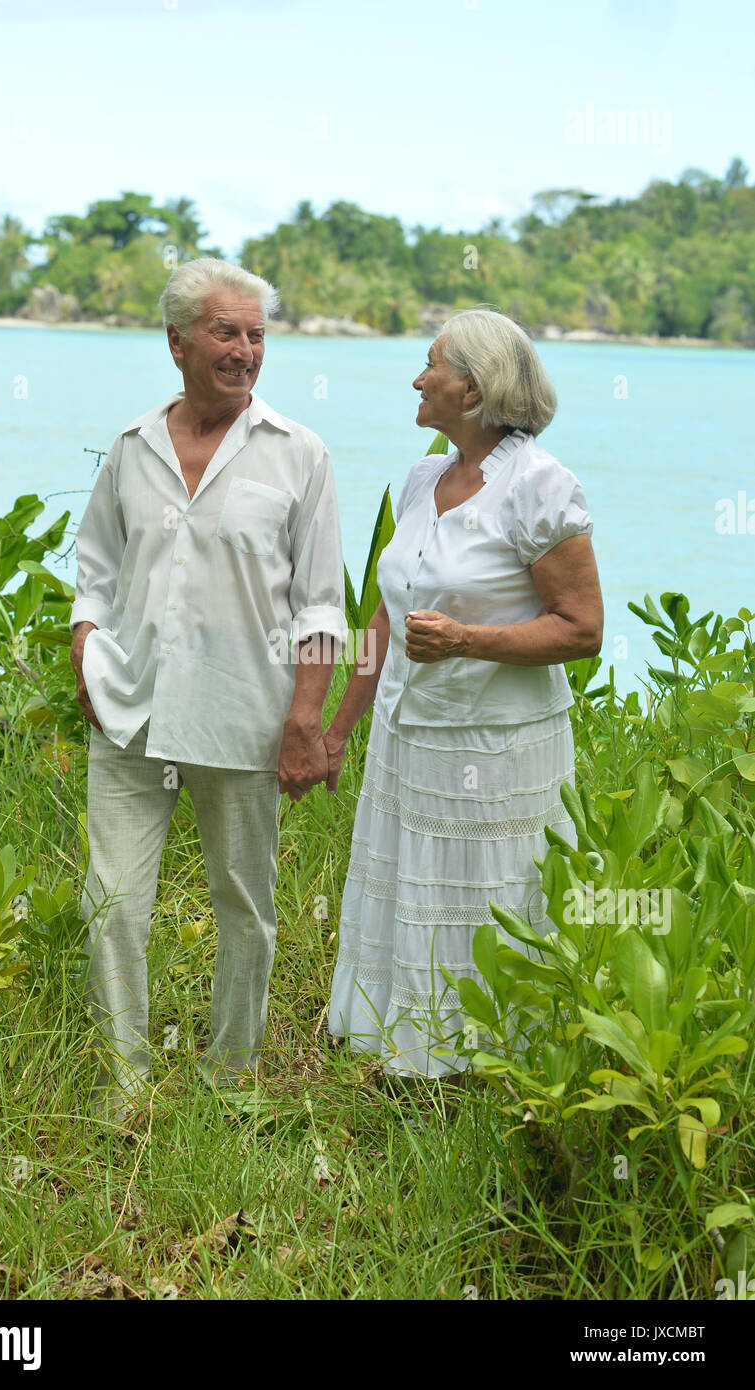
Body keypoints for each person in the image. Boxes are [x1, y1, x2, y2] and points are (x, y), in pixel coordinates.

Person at [69, 258, 347, 1116]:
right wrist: (85, 649)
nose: (244, 351)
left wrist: (306, 720)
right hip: (132, 710)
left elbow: (320, 608)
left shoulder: (299, 455)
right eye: (225, 332)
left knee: (245, 904)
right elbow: (95, 568)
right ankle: (125, 1086)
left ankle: (232, 1080)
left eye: (256, 334)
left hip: (243, 715)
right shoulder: (131, 447)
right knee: (112, 900)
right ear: (177, 342)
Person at [324, 307, 603, 1077]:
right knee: (409, 888)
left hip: (497, 747)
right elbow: (385, 615)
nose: (418, 378)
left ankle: (487, 1065)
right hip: (408, 736)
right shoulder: (423, 477)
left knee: (488, 897)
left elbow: (581, 629)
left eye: (431, 365)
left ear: (473, 388)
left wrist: (465, 641)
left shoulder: (539, 484)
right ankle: (400, 1046)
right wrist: (339, 729)